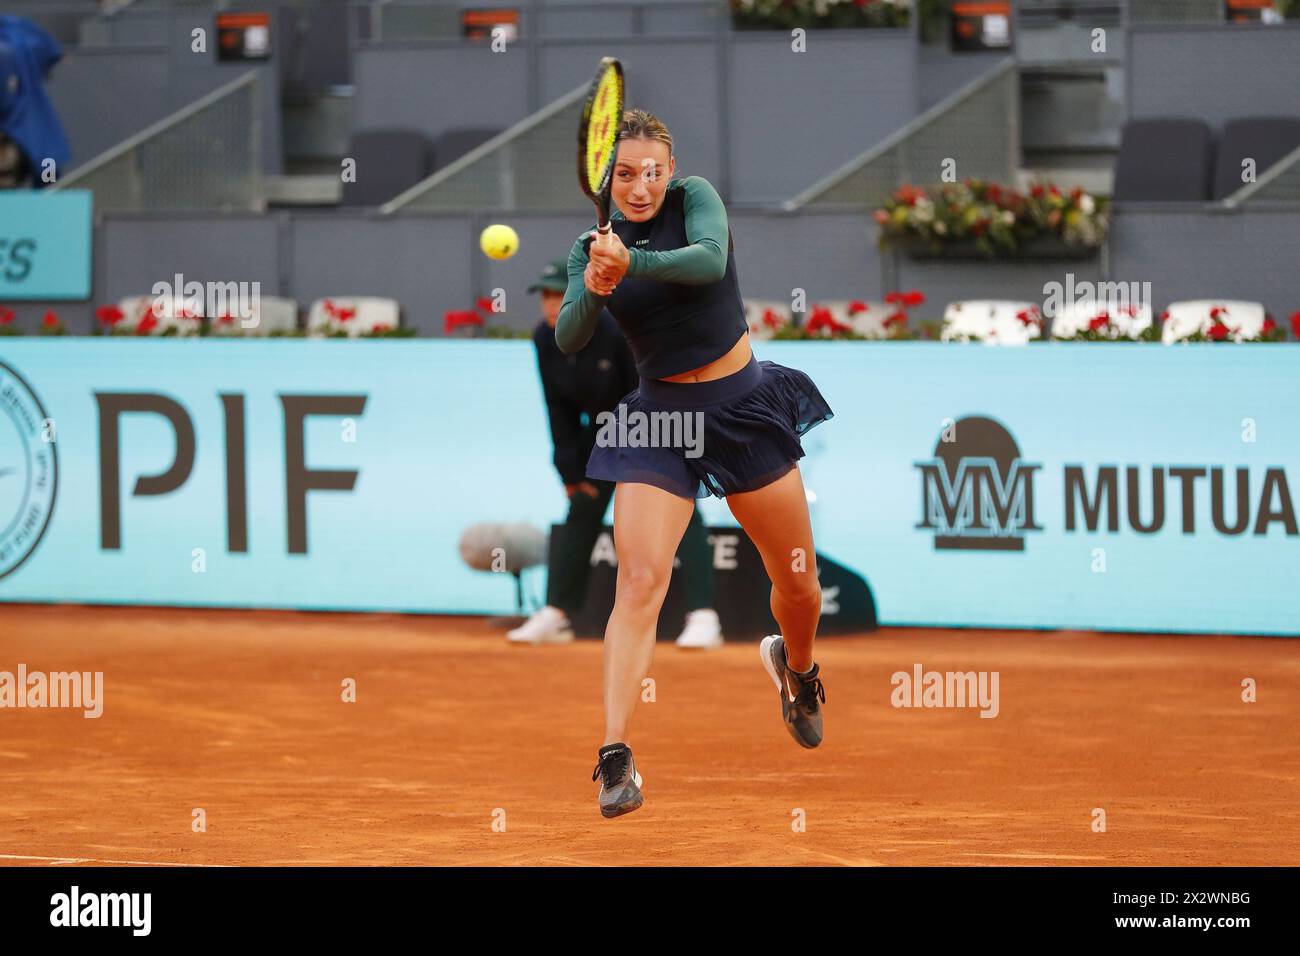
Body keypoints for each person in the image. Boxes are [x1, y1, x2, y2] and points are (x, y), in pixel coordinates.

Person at [557, 110, 834, 818]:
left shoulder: (696, 199)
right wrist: (596, 283)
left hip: (742, 410)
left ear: (670, 171)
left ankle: (797, 666)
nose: (639, 187)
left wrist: (635, 264)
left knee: (799, 586)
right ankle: (616, 754)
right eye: (624, 174)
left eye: (651, 172)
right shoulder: (590, 247)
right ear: (605, 181)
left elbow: (708, 260)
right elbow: (569, 336)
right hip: (659, 421)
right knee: (639, 582)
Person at [508, 259, 723, 649]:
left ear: (581, 294)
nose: (551, 304)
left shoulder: (616, 328)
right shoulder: (544, 338)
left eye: (559, 294)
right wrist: (569, 471)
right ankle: (557, 613)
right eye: (546, 296)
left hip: (656, 420)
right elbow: (557, 407)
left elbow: (648, 386)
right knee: (582, 507)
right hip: (603, 430)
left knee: (680, 514)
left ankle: (704, 616)